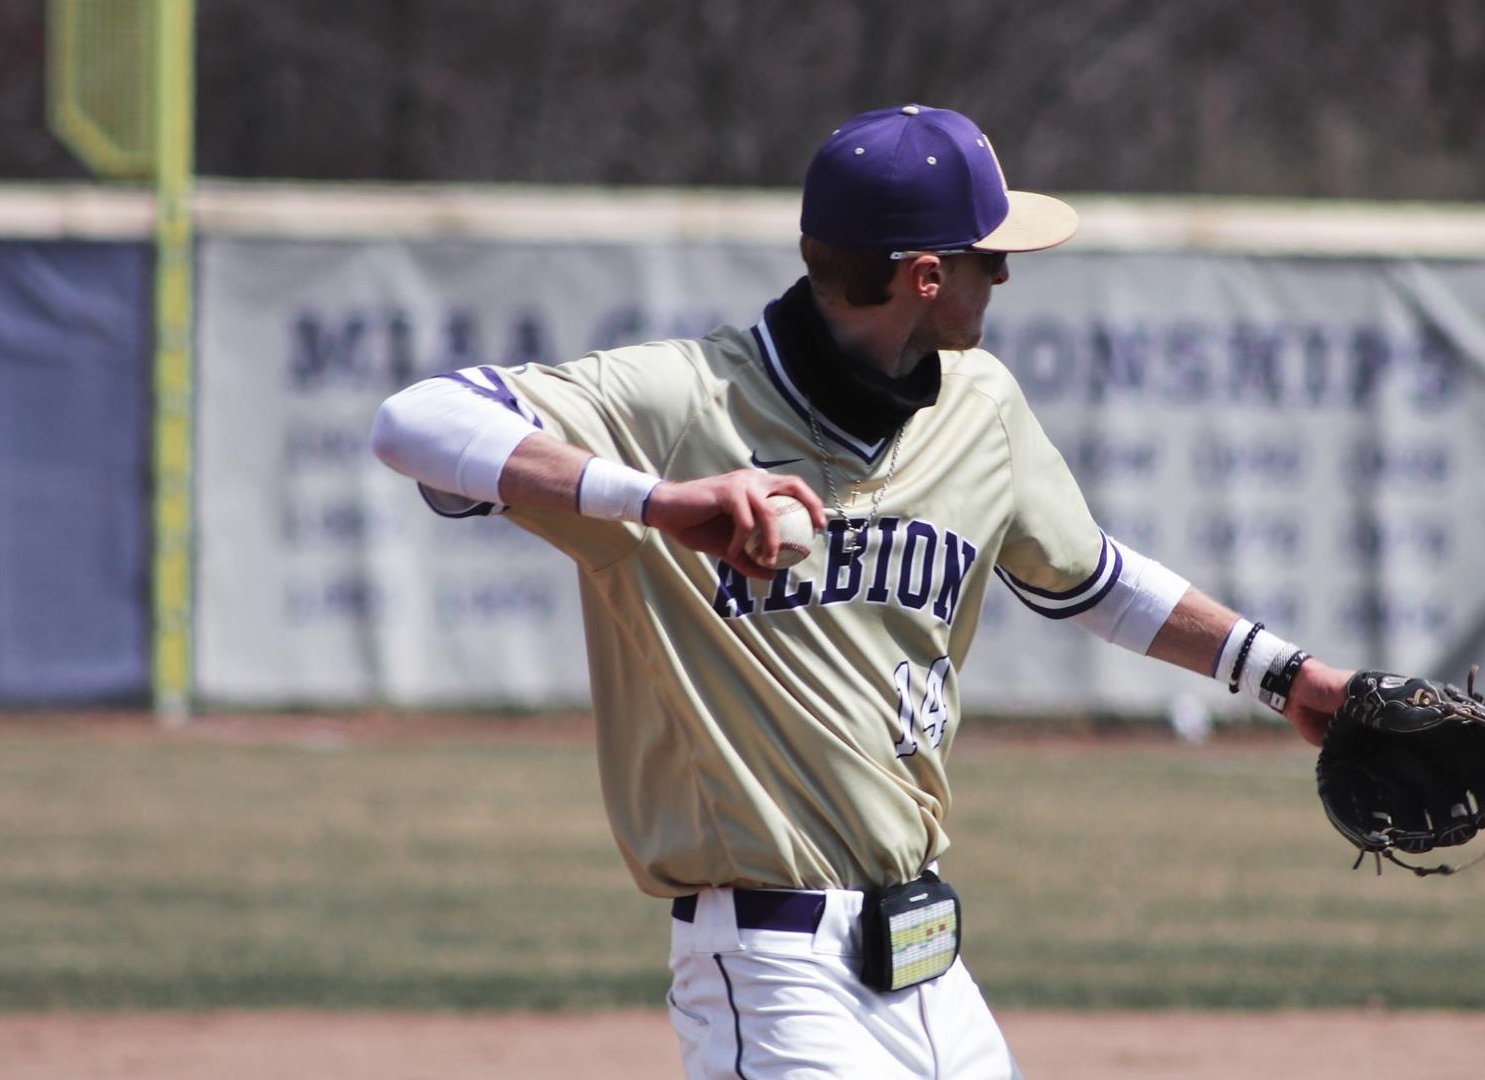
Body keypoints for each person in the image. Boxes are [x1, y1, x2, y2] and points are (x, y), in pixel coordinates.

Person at [370, 103, 1353, 1080]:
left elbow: (1090, 576)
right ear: (926, 276)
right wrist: (658, 501)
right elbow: (414, 421)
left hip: (930, 965)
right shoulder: (684, 403)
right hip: (770, 967)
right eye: (987, 255)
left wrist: (1286, 675)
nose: (1004, 273)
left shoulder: (979, 403)